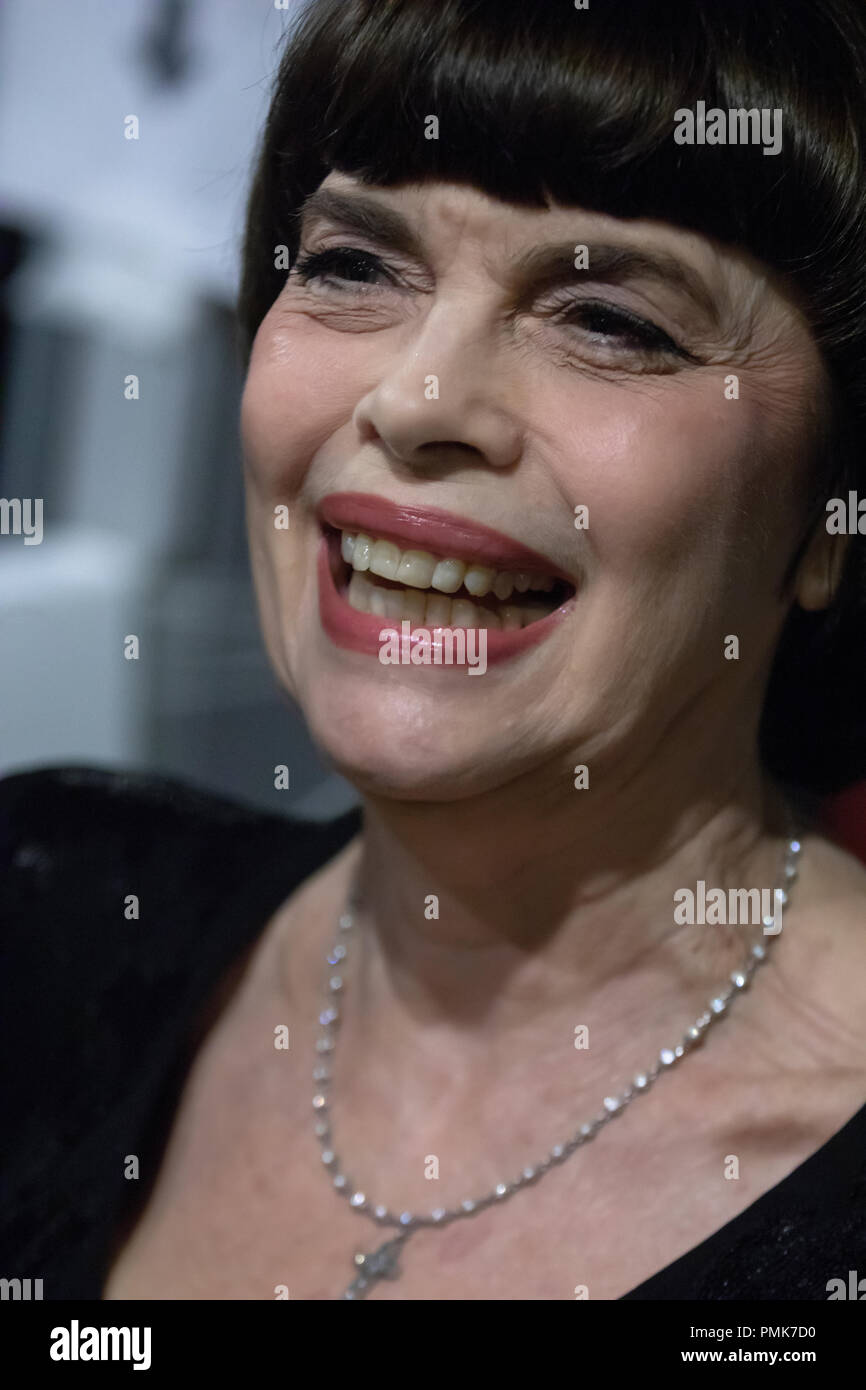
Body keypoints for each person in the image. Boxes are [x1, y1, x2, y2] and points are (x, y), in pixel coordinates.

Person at [3, 0, 866, 1301]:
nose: (413, 401)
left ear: (827, 523)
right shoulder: (41, 912)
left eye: (609, 321)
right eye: (352, 264)